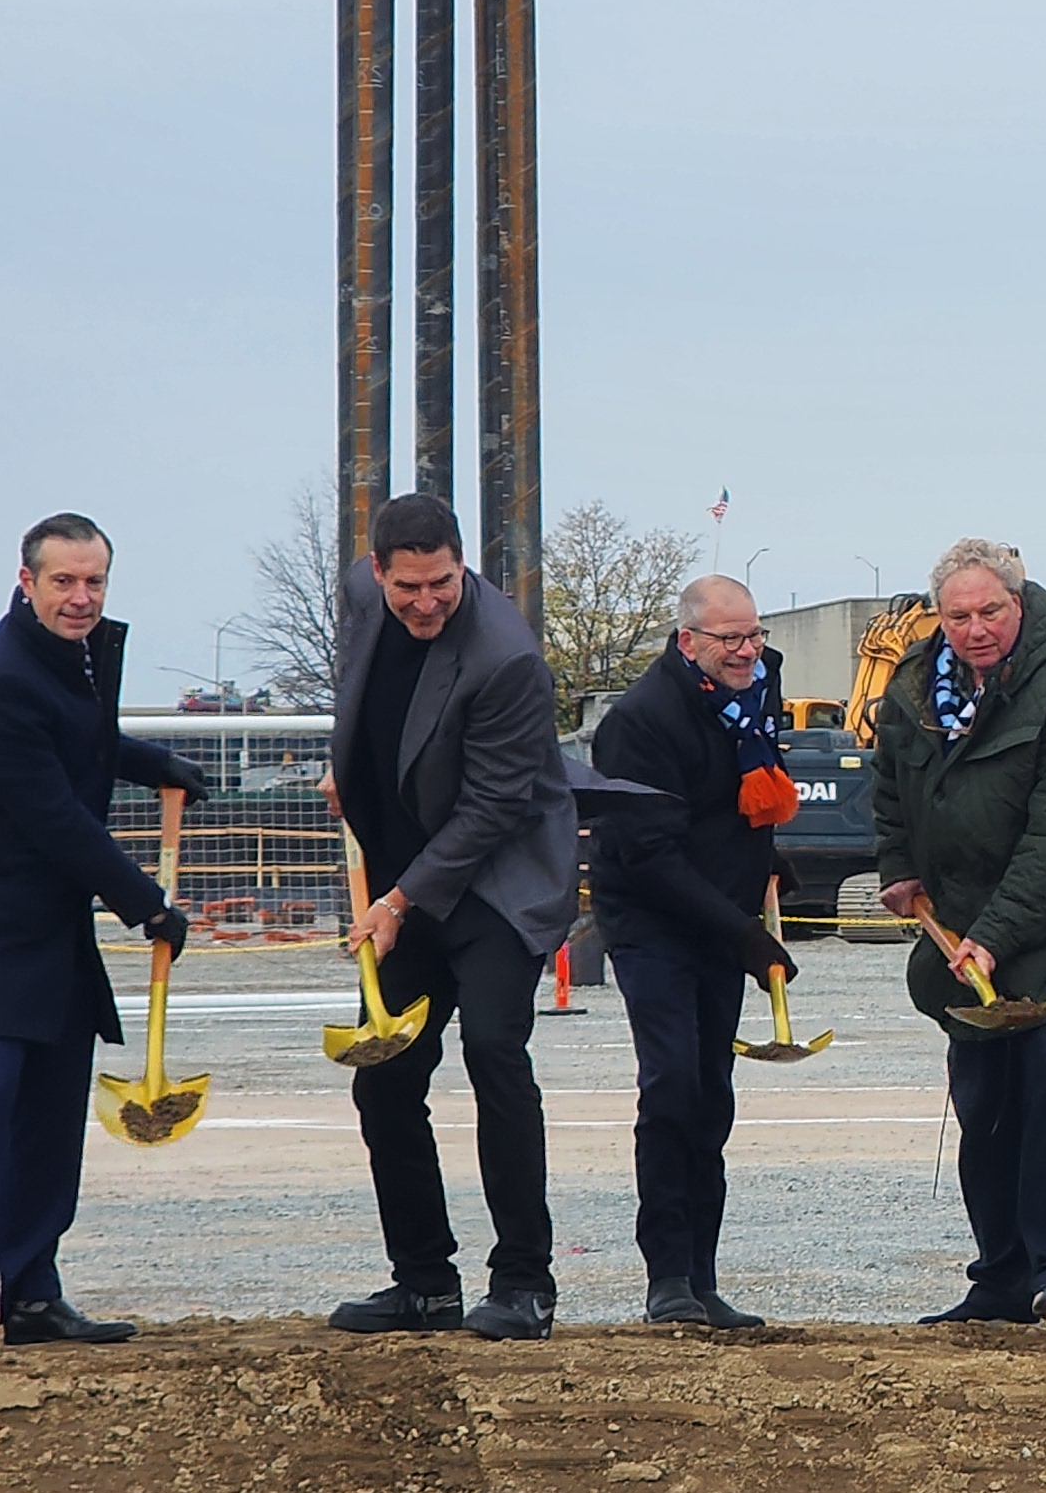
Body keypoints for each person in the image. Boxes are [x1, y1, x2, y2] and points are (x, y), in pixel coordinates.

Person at [0, 513, 208, 1356]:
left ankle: (34, 1296)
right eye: (63, 582)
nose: (81, 598)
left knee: (48, 1117)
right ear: (26, 581)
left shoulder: (63, 660)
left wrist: (151, 762)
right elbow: (51, 815)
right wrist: (146, 904)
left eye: (94, 582)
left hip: (49, 924)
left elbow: (77, 737)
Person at [324, 491, 579, 1342]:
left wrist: (397, 901)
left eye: (442, 583)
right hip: (408, 871)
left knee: (493, 1054)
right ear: (377, 574)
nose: (426, 602)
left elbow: (495, 807)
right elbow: (373, 710)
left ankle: (524, 1284)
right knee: (384, 1074)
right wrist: (351, 775)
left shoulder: (506, 658)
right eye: (409, 587)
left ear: (463, 565)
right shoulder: (364, 599)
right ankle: (424, 1282)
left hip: (497, 883)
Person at [873, 538, 1046, 1327]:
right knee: (985, 1110)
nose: (975, 627)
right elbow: (890, 788)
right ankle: (998, 1276)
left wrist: (993, 934)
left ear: (1019, 606)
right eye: (958, 615)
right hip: (963, 946)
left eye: (990, 610)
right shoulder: (913, 688)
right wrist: (898, 866)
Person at [582, 573, 803, 1330]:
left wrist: (767, 860)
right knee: (673, 1083)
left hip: (720, 914)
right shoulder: (640, 723)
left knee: (711, 1094)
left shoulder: (756, 688)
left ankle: (703, 1278)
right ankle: (666, 1275)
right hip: (652, 921)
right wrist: (744, 933)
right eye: (730, 640)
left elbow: (743, 792)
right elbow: (649, 856)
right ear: (688, 643)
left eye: (755, 634)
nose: (748, 651)